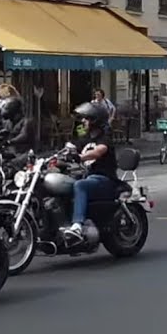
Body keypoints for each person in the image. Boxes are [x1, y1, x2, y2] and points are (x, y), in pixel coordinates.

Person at [61, 101, 118, 244]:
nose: (83, 121)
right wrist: (57, 158)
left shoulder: (104, 138)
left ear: (94, 120)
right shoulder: (85, 139)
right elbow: (70, 149)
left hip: (104, 180)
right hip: (89, 178)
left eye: (86, 119)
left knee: (80, 185)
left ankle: (77, 226)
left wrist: (80, 157)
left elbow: (99, 151)